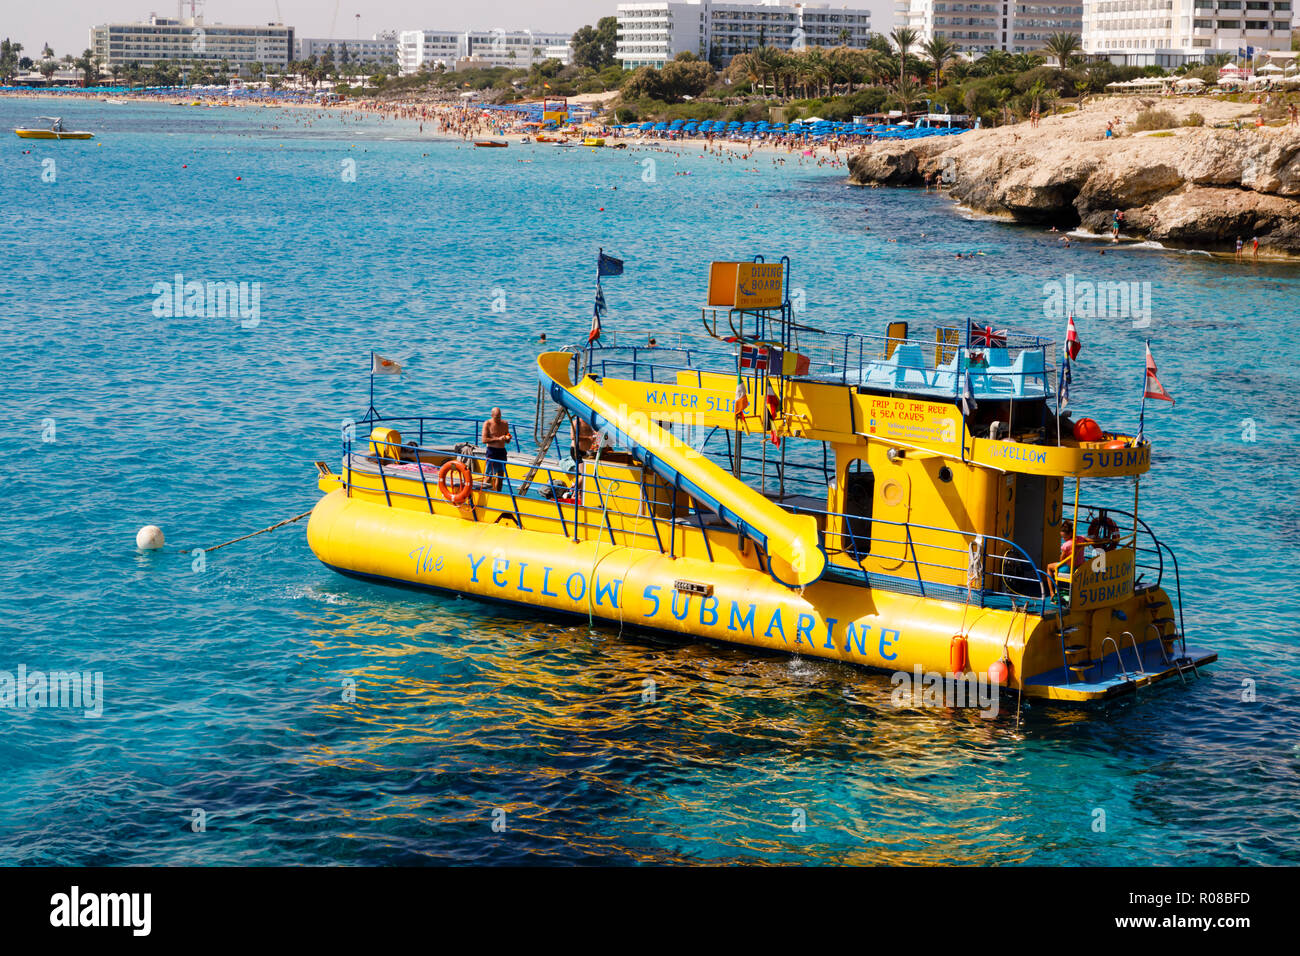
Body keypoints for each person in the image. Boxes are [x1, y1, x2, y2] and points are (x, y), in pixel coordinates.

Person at [1047, 520, 1090, 595]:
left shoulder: (1066, 545)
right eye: (1062, 537)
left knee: (1049, 567)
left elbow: (1061, 560)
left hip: (1070, 569)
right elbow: (1091, 540)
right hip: (1080, 566)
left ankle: (1051, 592)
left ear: (1070, 533)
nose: (1063, 539)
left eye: (1064, 537)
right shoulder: (1081, 538)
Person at [481, 407, 511, 491]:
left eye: (500, 417)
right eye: (496, 417)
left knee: (500, 476)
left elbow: (507, 439)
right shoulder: (487, 423)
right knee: (489, 475)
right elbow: (484, 440)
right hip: (492, 451)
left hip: (501, 451)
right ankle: (484, 492)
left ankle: (498, 493)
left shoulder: (505, 423)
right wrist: (498, 439)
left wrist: (508, 438)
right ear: (492, 415)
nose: (498, 419)